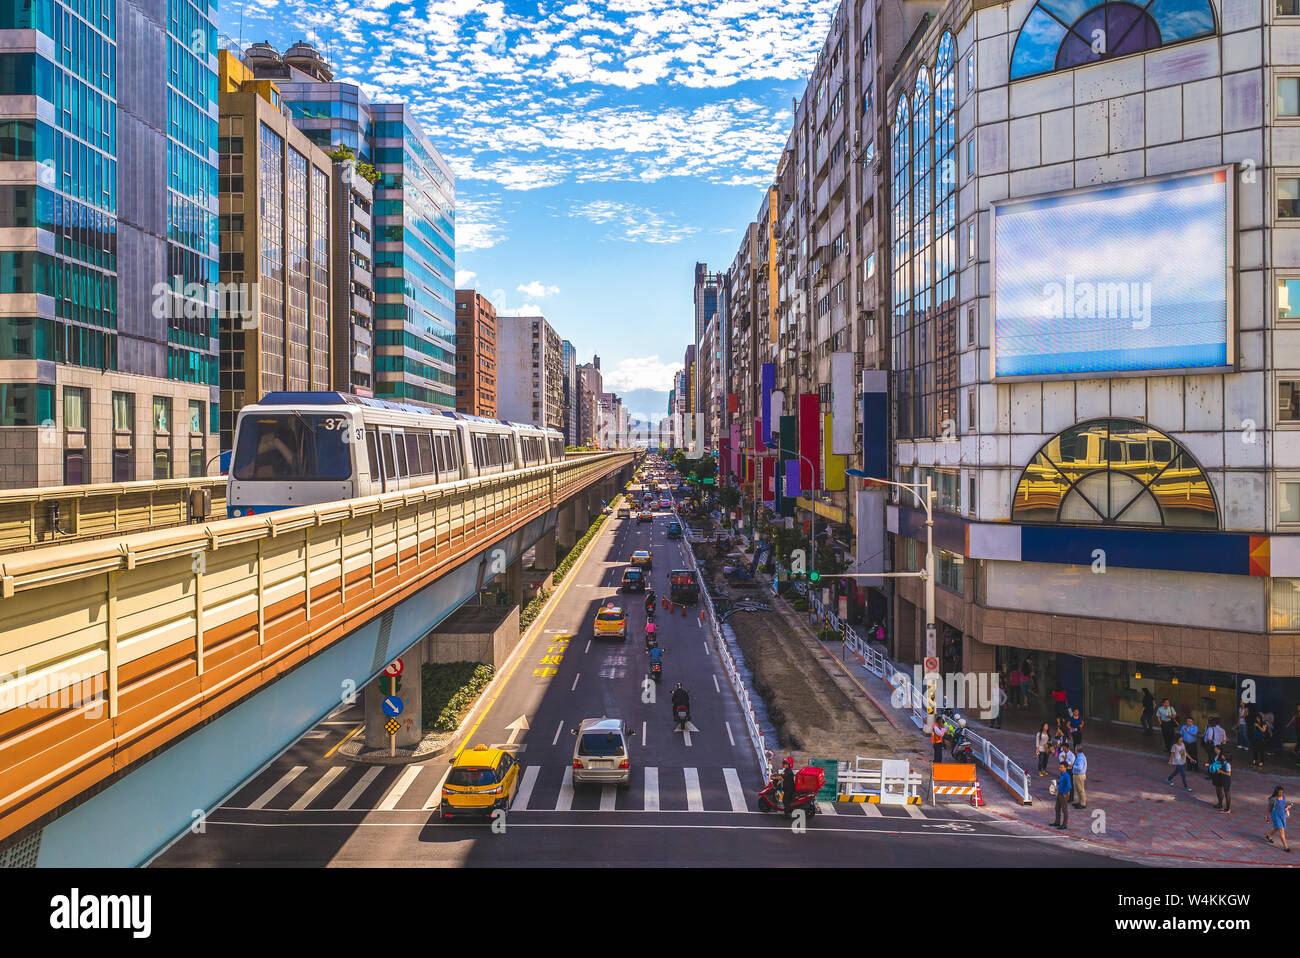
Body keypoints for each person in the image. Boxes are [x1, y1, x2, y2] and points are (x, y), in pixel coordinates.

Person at [1266, 785, 1292, 852]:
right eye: (1279, 792)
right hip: (1275, 815)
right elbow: (1269, 809)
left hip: (1282, 815)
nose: (1281, 793)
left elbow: (1284, 806)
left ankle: (1269, 836)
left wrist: (1287, 810)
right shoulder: (1273, 799)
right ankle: (1286, 847)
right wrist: (1267, 816)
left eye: (1282, 792)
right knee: (1281, 829)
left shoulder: (1283, 797)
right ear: (1276, 792)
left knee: (1277, 827)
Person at [1209, 746, 1232, 813]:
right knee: (1221, 790)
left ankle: (1227, 809)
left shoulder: (1227, 764)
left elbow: (1229, 773)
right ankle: (1221, 804)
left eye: (1216, 748)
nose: (1214, 749)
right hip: (1220, 777)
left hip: (1224, 778)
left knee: (1226, 792)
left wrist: (1220, 771)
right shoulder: (1224, 762)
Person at [1052, 761, 1072, 829]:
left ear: (1065, 768)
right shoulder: (1062, 774)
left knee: (1064, 810)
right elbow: (1061, 783)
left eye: (1061, 767)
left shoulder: (1066, 775)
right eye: (1059, 767)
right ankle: (1057, 822)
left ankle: (1064, 824)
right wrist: (1056, 783)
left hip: (1063, 794)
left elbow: (1069, 786)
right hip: (1059, 793)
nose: (1060, 768)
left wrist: (1065, 793)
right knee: (1057, 808)